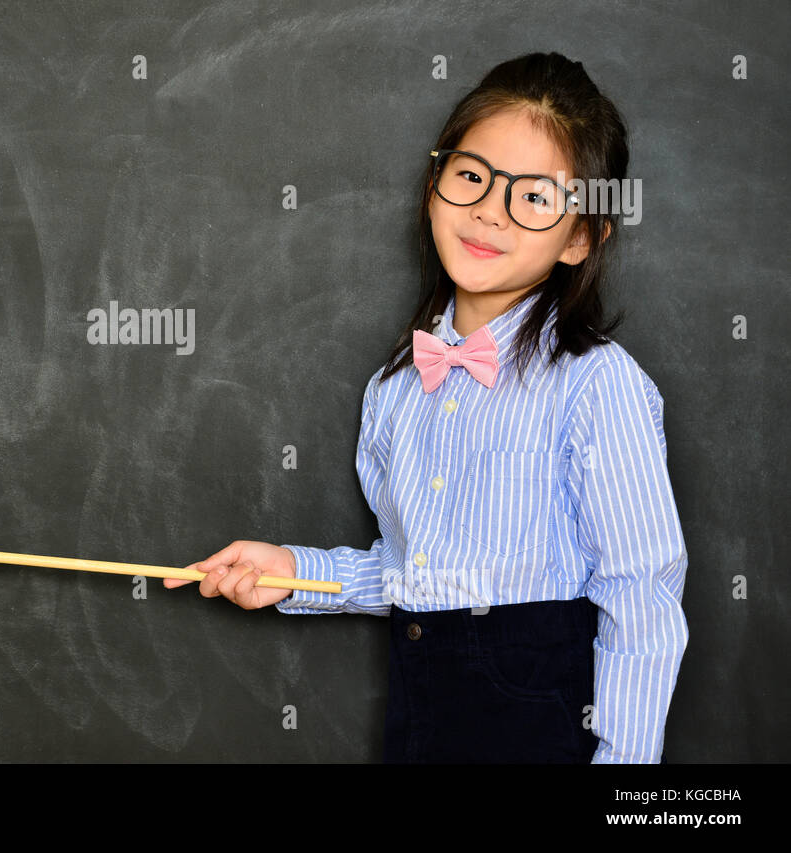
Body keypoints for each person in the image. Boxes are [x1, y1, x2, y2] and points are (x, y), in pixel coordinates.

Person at [164, 52, 688, 764]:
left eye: (533, 197)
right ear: (436, 180)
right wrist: (289, 570)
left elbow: (641, 598)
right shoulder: (395, 390)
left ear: (579, 236)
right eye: (471, 175)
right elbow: (411, 572)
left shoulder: (597, 383)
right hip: (423, 711)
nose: (487, 210)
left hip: (540, 724)